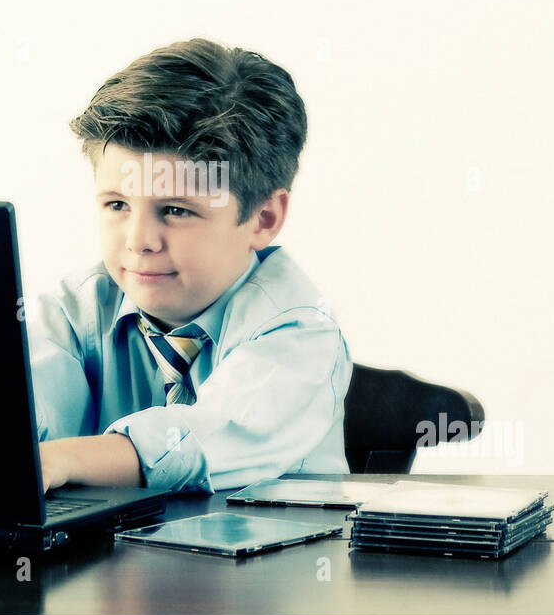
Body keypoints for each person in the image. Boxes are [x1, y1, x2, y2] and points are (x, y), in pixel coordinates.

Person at [30, 37, 352, 494]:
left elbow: (199, 439)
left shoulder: (300, 333)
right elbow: (17, 418)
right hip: (119, 564)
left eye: (176, 211)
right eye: (117, 204)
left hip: (275, 562)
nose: (139, 242)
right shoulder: (75, 311)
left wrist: (61, 459)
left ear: (263, 218)